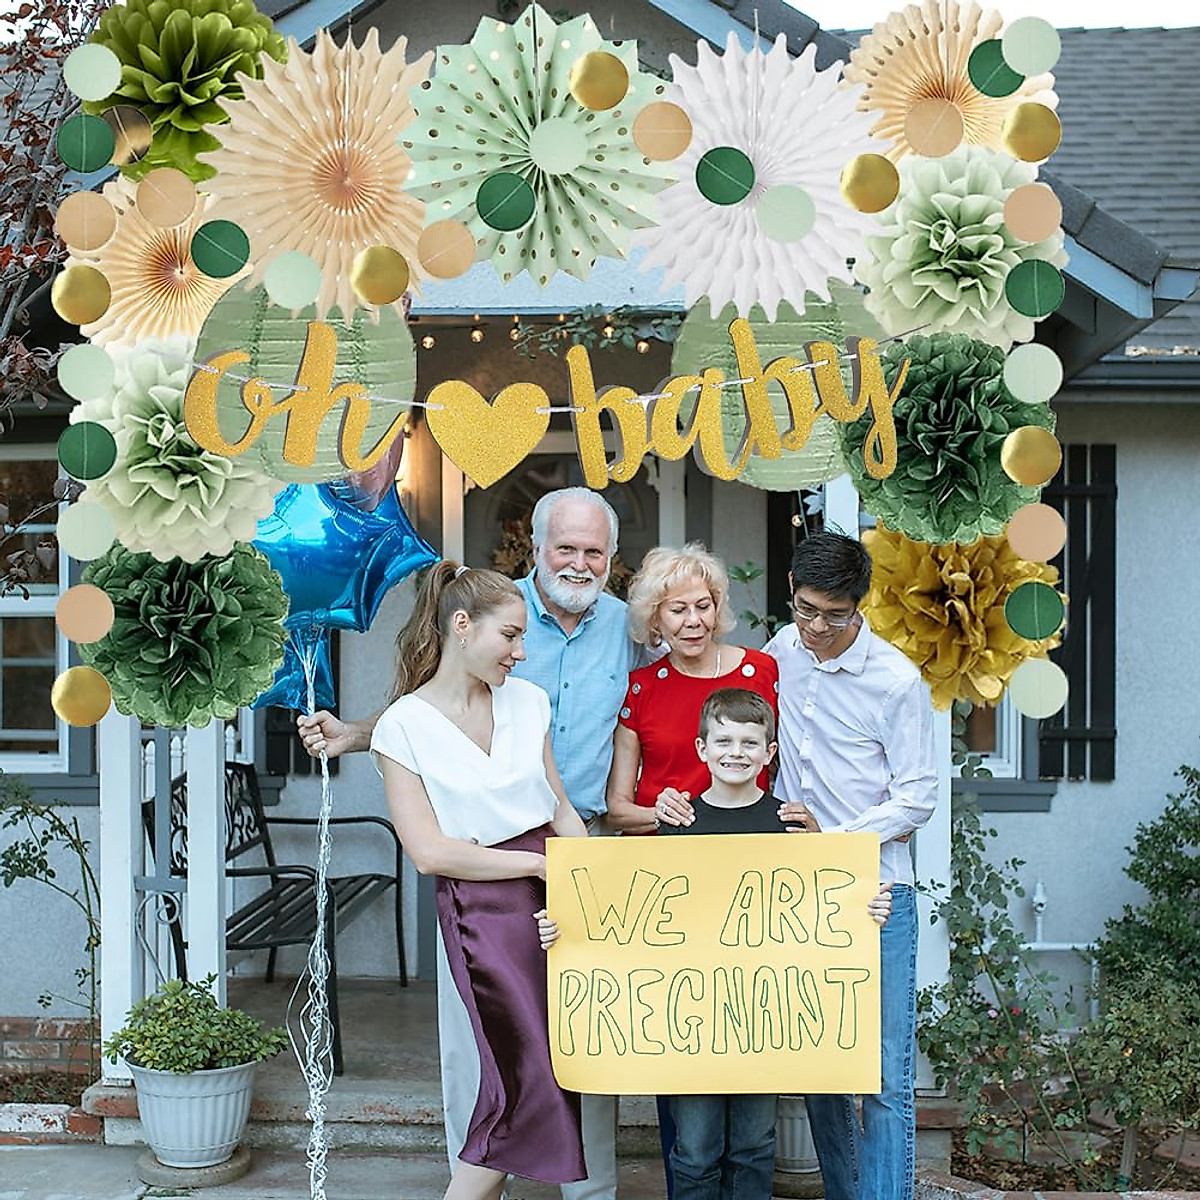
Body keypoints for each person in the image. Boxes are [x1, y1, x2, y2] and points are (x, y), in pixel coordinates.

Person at [297, 486, 639, 1200]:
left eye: (594, 551)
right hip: (490, 892)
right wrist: (355, 734)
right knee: (497, 1058)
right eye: (565, 548)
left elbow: (563, 799)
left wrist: (581, 877)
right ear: (536, 551)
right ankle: (485, 1183)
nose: (579, 562)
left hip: (571, 864)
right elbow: (425, 798)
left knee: (581, 1038)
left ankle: (587, 1191)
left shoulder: (605, 638)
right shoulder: (459, 653)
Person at [549, 687, 893, 1200]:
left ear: (769, 754)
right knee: (695, 1148)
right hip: (688, 1022)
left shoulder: (788, 827)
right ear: (701, 748)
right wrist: (565, 928)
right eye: (724, 740)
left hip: (761, 1017)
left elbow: (821, 911)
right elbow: (633, 915)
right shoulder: (677, 827)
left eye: (751, 742)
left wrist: (868, 912)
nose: (737, 752)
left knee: (755, 1145)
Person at [370, 561, 587, 1199]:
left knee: (549, 1069)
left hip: (557, 894)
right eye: (511, 637)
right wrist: (537, 866)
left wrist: (589, 881)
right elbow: (431, 852)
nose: (522, 653)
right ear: (462, 627)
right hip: (484, 913)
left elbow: (559, 806)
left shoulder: (530, 700)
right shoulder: (400, 726)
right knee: (528, 1073)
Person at [765, 530, 936, 1200]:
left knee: (882, 1076)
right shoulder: (784, 650)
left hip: (878, 894)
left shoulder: (896, 682)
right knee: (820, 1065)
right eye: (806, 609)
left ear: (860, 607)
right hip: (802, 894)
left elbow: (917, 796)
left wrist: (836, 835)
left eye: (834, 615)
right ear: (791, 591)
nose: (817, 628)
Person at [605, 543, 779, 837]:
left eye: (703, 606)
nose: (694, 621)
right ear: (655, 618)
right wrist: (661, 815)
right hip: (665, 854)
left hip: (744, 845)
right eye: (678, 610)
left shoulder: (760, 671)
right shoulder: (641, 687)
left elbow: (781, 766)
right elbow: (617, 810)